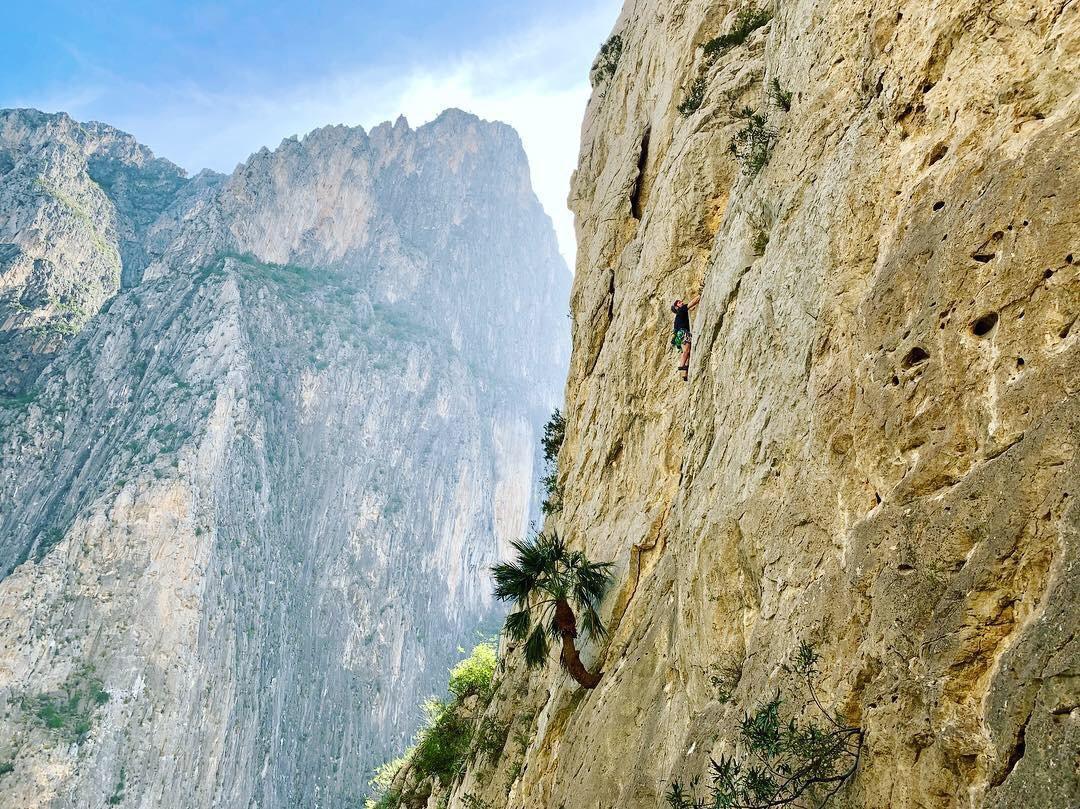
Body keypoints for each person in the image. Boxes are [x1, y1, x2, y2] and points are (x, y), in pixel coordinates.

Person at [671, 295, 700, 381]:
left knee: (688, 353)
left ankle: (685, 374)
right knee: (686, 351)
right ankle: (681, 366)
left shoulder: (680, 314)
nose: (682, 303)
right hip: (683, 333)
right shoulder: (681, 309)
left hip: (678, 336)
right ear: (677, 307)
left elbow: (691, 309)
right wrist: (700, 295)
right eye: (679, 302)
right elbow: (692, 303)